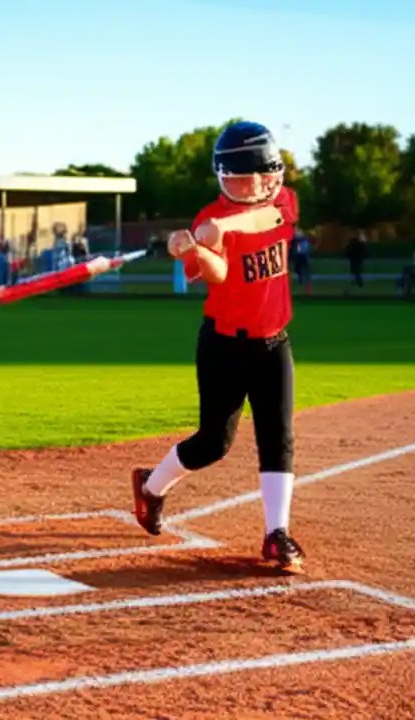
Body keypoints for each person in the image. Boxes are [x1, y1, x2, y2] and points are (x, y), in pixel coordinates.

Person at [129, 121, 305, 573]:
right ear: (227, 176)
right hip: (224, 345)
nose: (257, 183)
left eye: (263, 174)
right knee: (213, 443)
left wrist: (219, 229)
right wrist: (192, 246)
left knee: (277, 436)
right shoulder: (209, 214)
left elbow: (264, 218)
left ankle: (276, 534)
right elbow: (217, 273)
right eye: (245, 176)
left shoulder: (282, 202)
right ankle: (151, 487)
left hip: (274, 343)